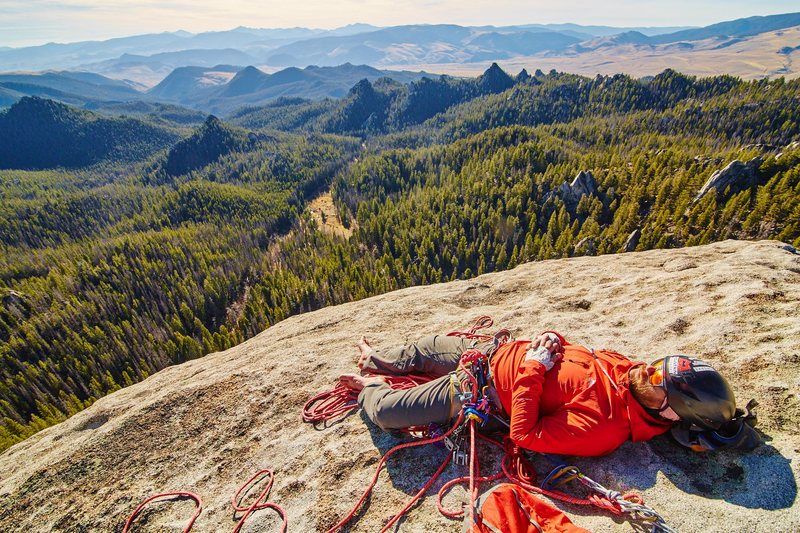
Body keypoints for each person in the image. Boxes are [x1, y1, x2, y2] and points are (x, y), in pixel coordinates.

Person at [339, 330, 739, 457]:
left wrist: (532, 368)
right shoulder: (629, 372)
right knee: (424, 348)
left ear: (670, 415)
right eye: (655, 365)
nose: (643, 370)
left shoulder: (604, 428)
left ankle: (371, 388)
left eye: (656, 380)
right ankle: (376, 358)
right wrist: (553, 339)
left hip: (480, 392)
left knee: (388, 412)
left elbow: (524, 435)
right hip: (491, 354)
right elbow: (577, 354)